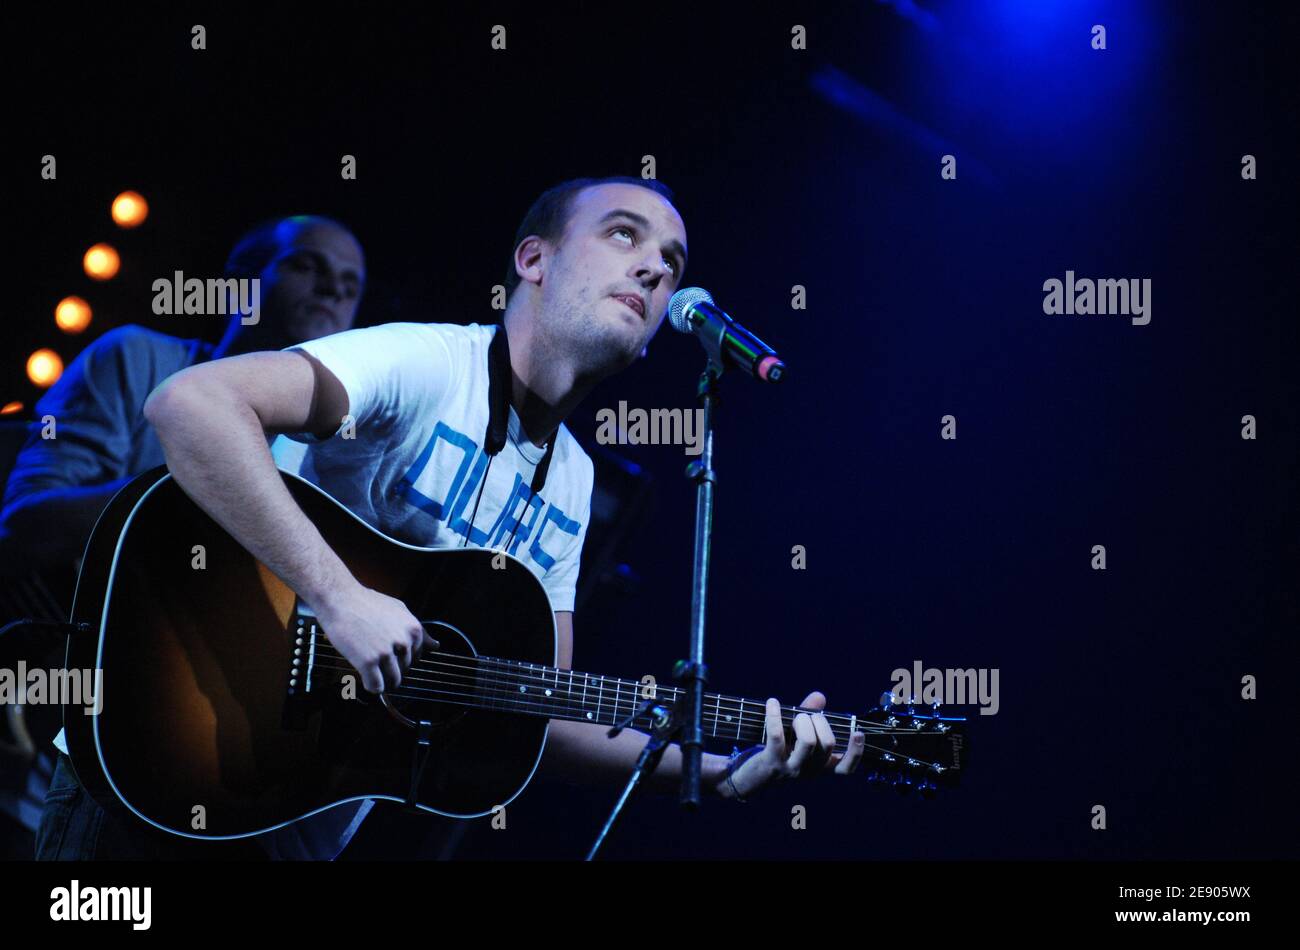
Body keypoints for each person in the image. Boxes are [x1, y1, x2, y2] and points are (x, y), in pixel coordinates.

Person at [138, 176, 866, 856]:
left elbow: (536, 713)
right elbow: (191, 404)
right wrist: (339, 596)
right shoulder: (428, 362)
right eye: (623, 235)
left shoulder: (575, 482)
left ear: (651, 343)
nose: (654, 270)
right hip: (168, 746)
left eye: (671, 263)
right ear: (533, 260)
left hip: (289, 823)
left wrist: (716, 771)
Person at [5, 214, 367, 859]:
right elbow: (26, 524)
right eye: (308, 265)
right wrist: (214, 463)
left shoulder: (337, 457)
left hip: (200, 782)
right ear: (239, 283)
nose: (333, 290)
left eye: (350, 283)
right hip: (51, 741)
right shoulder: (138, 359)